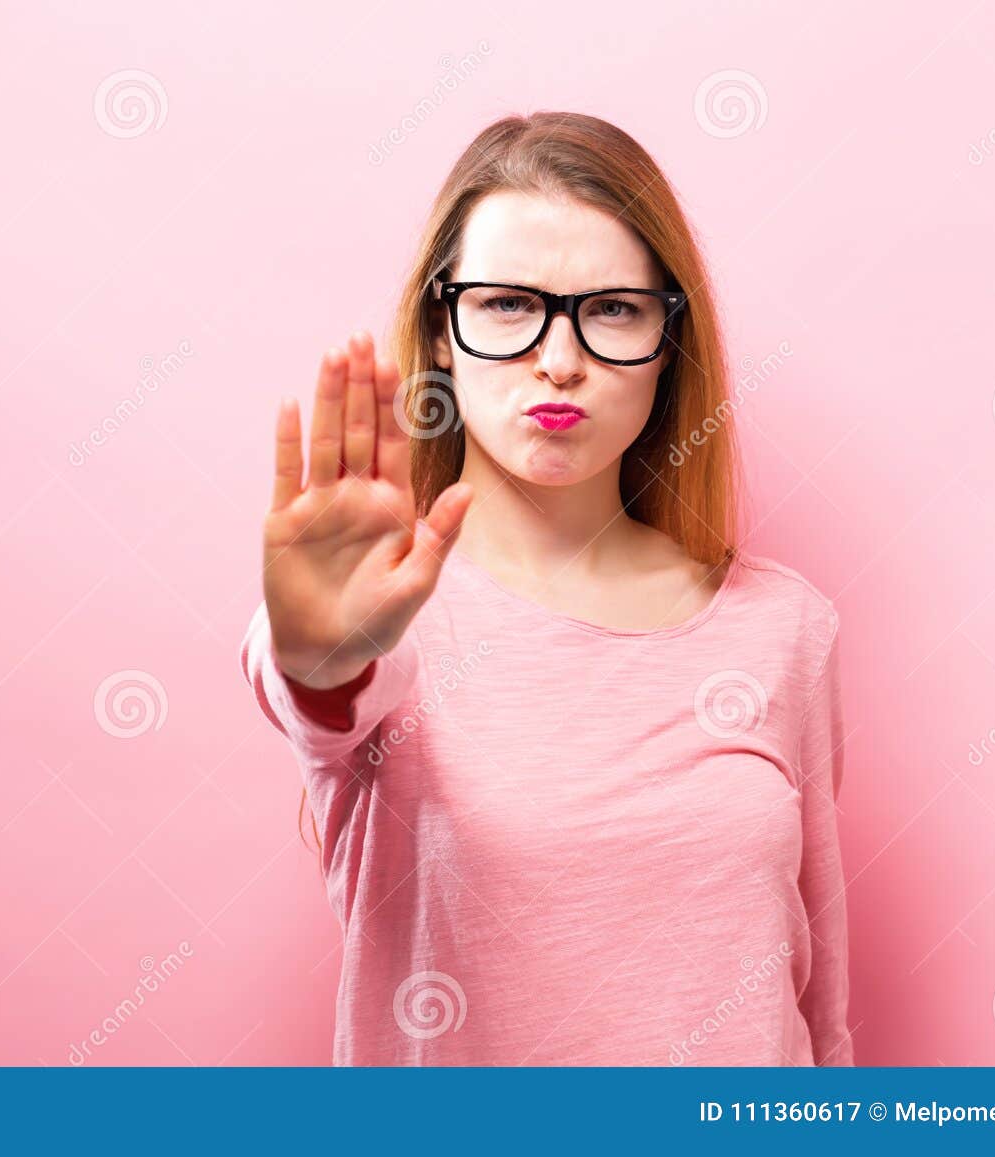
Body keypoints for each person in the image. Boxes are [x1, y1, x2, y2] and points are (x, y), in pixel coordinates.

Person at [239, 111, 853, 1066]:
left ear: (666, 338)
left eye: (612, 308)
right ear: (441, 330)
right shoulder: (386, 612)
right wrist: (320, 662)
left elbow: (822, 1015)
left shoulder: (785, 629)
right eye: (506, 304)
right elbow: (318, 687)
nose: (558, 358)